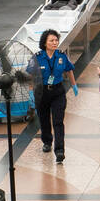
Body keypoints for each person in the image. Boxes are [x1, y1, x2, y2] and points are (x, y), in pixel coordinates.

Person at [33, 29, 77, 163]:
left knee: (58, 121)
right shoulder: (37, 57)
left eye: (56, 40)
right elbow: (30, 74)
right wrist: (31, 91)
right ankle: (47, 141)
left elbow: (69, 70)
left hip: (58, 91)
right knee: (44, 119)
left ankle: (59, 151)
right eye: (51, 40)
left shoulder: (61, 56)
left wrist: (74, 85)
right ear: (45, 43)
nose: (55, 42)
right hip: (41, 91)